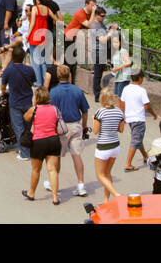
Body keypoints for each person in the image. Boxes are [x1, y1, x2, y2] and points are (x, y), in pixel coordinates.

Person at [49, 66, 90, 197]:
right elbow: (85, 111)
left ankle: (53, 183)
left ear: (57, 75)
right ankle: (81, 185)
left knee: (57, 156)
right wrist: (84, 126)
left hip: (61, 127)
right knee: (76, 155)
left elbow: (51, 112)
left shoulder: (53, 92)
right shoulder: (77, 90)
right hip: (76, 126)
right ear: (70, 76)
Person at [22, 86, 63, 204]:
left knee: (36, 170)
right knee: (52, 170)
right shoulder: (55, 109)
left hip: (38, 141)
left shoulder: (34, 109)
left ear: (37, 98)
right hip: (53, 140)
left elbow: (25, 118)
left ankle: (31, 193)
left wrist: (34, 105)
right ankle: (55, 197)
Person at [0, 45, 36, 161]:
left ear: (12, 57)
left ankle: (25, 153)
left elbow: (3, 86)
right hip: (28, 102)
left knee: (18, 128)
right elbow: (32, 82)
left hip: (15, 103)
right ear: (23, 57)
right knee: (26, 128)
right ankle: (28, 148)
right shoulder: (30, 69)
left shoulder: (8, 70)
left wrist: (4, 93)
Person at [91, 89, 125, 200]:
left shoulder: (100, 112)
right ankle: (106, 198)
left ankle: (116, 195)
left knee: (100, 175)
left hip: (103, 146)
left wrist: (93, 120)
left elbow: (95, 131)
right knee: (107, 173)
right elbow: (121, 130)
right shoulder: (119, 112)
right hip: (115, 145)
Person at [122, 70, 152, 171]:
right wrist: (154, 114)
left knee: (137, 137)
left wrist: (123, 116)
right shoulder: (142, 90)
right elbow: (146, 106)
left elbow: (122, 102)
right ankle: (128, 164)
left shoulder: (126, 89)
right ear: (140, 78)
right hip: (139, 118)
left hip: (130, 118)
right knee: (136, 140)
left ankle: (145, 156)